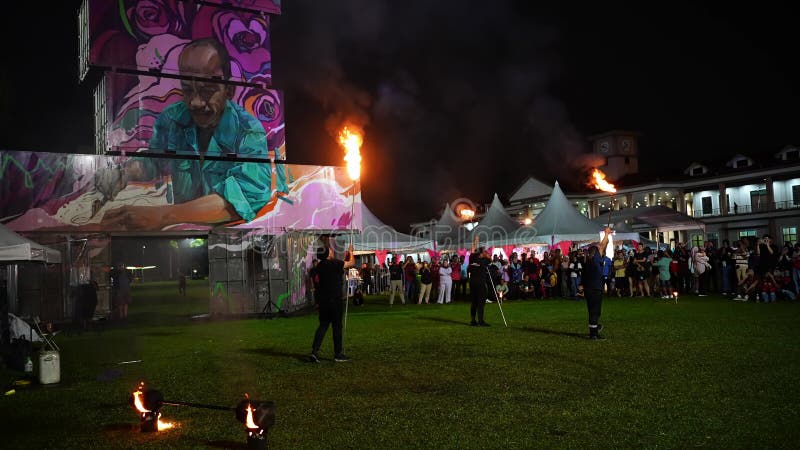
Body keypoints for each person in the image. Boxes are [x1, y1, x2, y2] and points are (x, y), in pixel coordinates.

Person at [100, 38, 280, 230]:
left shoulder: (249, 131)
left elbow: (244, 196)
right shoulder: (171, 119)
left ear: (229, 90)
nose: (195, 102)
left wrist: (163, 216)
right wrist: (124, 173)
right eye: (187, 90)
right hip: (183, 237)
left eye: (207, 91)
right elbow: (154, 162)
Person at [310, 240, 355, 363]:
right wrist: (351, 252)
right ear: (327, 254)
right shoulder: (334, 263)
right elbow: (351, 263)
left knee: (323, 325)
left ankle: (314, 351)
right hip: (335, 300)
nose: (332, 251)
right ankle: (338, 354)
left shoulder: (319, 266)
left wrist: (346, 257)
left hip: (323, 301)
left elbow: (339, 268)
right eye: (330, 250)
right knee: (337, 326)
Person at [582, 227, 612, 340]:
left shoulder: (588, 261)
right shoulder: (595, 260)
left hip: (589, 289)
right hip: (595, 289)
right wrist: (606, 233)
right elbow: (602, 245)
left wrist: (607, 240)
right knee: (595, 311)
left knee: (592, 311)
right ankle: (594, 334)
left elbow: (604, 246)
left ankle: (594, 329)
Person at [468, 242, 492, 326]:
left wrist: (476, 242)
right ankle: (480, 321)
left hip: (472, 283)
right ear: (481, 254)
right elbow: (490, 260)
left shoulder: (471, 258)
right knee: (481, 302)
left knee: (474, 302)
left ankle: (473, 320)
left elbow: (473, 252)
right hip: (480, 283)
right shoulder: (483, 261)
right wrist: (486, 256)